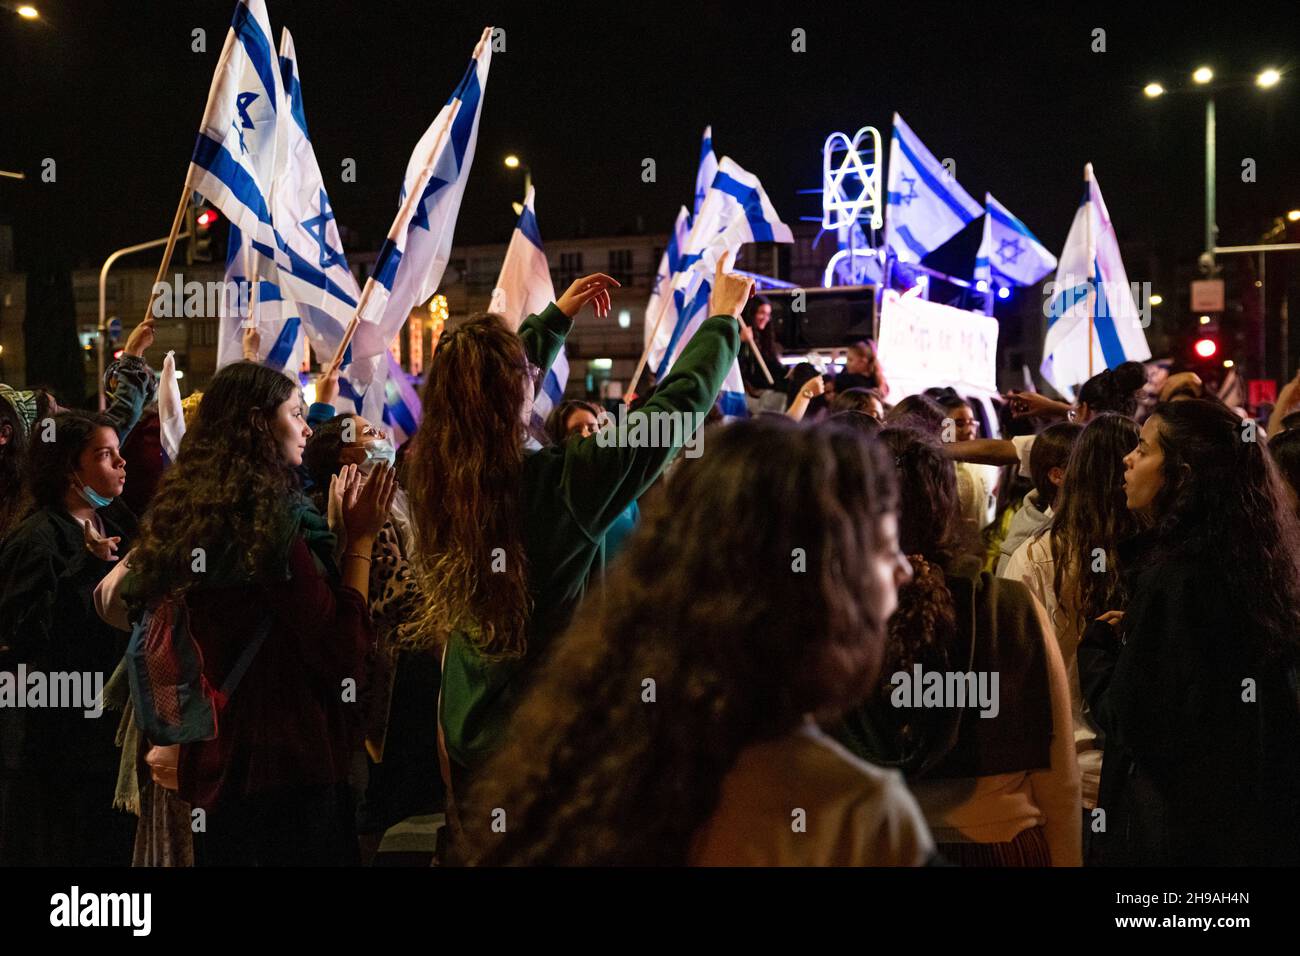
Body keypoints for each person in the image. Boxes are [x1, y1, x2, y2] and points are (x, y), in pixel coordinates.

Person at [457, 418, 929, 866]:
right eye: (886, 548)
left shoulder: (578, 755)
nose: (905, 570)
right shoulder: (856, 814)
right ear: (819, 585)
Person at [406, 260, 755, 824]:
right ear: (518, 387)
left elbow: (481, 390)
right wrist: (721, 323)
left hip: (474, 731)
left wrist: (551, 323)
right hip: (549, 746)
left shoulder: (437, 475)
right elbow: (675, 409)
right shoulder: (562, 485)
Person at [109, 361, 397, 866]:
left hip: (222, 767)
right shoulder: (272, 529)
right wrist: (361, 542)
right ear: (259, 423)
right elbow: (342, 647)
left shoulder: (195, 512)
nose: (309, 427)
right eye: (296, 414)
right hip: (289, 769)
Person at [834, 426, 1081, 866]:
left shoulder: (828, 617)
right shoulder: (1009, 608)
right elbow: (1059, 779)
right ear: (948, 504)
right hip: (999, 848)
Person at [1080, 400, 1300, 865]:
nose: (1128, 459)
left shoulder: (1178, 574)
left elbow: (1133, 717)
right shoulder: (1256, 559)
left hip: (1173, 830)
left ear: (1181, 474)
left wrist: (1099, 650)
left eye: (1142, 449)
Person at [0, 410, 137, 865]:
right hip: (62, 737)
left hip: (107, 733)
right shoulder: (37, 539)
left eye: (119, 453)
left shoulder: (114, 521)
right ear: (68, 469)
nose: (121, 463)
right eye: (104, 455)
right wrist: (84, 570)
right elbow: (27, 640)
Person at [1002, 415, 1139, 822]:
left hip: (1063, 774)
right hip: (1136, 776)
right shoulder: (1161, 556)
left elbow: (1014, 677)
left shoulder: (1036, 557)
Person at [994, 421, 1082, 575]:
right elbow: (1012, 597)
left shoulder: (1094, 529)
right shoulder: (1023, 550)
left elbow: (1100, 580)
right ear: (1058, 475)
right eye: (1087, 463)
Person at [738, 295, 784, 406]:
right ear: (752, 313)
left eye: (768, 314)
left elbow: (772, 364)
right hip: (745, 391)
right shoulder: (739, 333)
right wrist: (740, 340)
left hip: (764, 388)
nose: (765, 318)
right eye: (762, 313)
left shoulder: (766, 337)